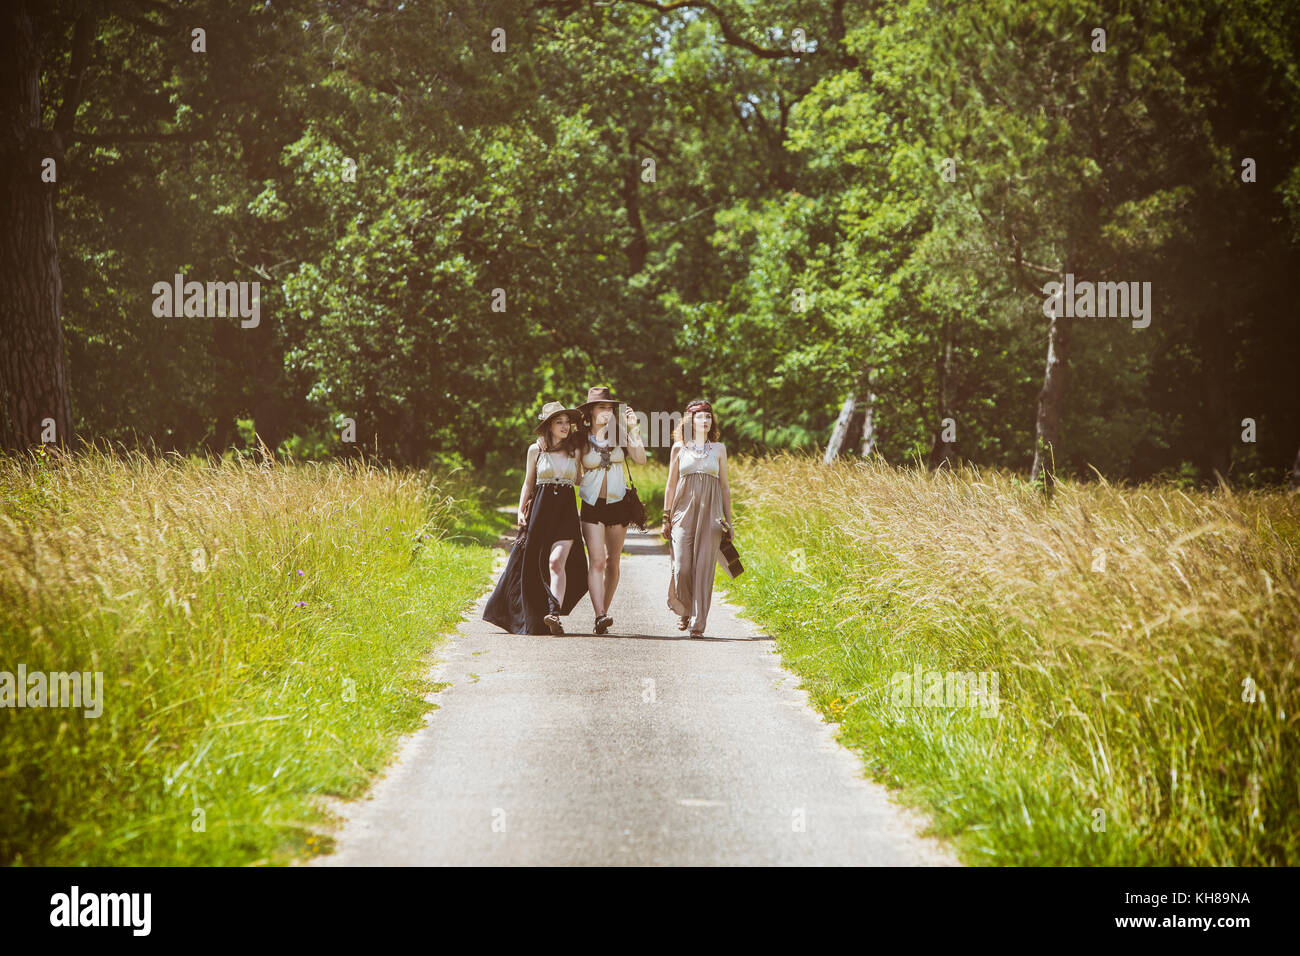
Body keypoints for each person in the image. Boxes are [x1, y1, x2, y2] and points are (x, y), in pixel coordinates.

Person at [482, 401, 589, 635]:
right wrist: (521, 510)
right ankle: (533, 612)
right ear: (548, 426)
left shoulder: (575, 450)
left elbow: (580, 478)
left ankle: (554, 612)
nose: (564, 427)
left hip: (566, 509)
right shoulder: (535, 450)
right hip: (541, 508)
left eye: (567, 423)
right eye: (559, 422)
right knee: (533, 562)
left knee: (556, 561)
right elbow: (528, 482)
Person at [576, 386, 647, 634]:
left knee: (612, 561)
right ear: (591, 411)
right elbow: (573, 473)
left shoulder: (619, 435)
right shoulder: (580, 439)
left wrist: (633, 427)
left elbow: (641, 459)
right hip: (591, 505)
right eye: (601, 407)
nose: (606, 411)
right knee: (595, 560)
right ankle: (601, 614)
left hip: (618, 505)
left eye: (609, 407)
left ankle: (601, 615)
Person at [663, 399, 734, 638]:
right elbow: (670, 486)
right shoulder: (679, 448)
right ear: (690, 421)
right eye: (700, 417)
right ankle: (684, 608)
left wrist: (729, 520)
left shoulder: (719, 449)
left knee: (704, 569)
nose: (705, 421)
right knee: (682, 568)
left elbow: (724, 486)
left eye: (708, 417)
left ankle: (697, 623)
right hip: (683, 512)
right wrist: (666, 517)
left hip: (712, 514)